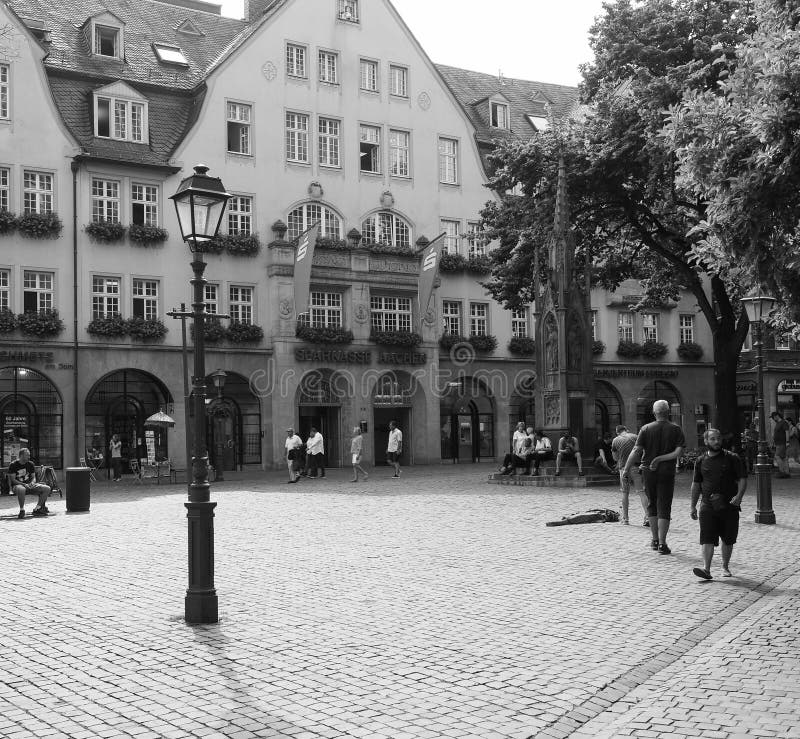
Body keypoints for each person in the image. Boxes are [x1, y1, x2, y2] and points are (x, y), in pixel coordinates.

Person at [623, 399, 685, 555]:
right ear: (668, 411)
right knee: (664, 505)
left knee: (652, 504)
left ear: (654, 412)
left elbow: (636, 451)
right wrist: (662, 459)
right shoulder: (676, 429)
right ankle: (663, 544)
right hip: (667, 472)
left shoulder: (645, 428)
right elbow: (678, 453)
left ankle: (654, 539)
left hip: (648, 471)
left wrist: (626, 468)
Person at [690, 428, 746, 579]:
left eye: (718, 438)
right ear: (706, 441)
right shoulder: (701, 460)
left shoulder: (732, 458)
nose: (716, 441)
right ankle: (706, 569)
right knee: (707, 537)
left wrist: (739, 496)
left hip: (729, 505)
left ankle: (725, 567)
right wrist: (692, 506)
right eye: (713, 439)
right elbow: (696, 484)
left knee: (728, 538)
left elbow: (742, 479)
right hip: (707, 506)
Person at [612, 424, 649, 526]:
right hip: (636, 467)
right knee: (641, 492)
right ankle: (648, 517)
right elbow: (644, 450)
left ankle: (626, 519)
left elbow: (615, 458)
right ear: (626, 430)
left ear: (617, 432)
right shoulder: (635, 436)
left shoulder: (615, 440)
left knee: (625, 493)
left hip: (623, 468)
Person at [8, 448, 51, 519]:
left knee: (47, 488)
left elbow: (33, 477)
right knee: (21, 489)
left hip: (29, 485)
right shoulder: (13, 465)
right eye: (27, 455)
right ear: (21, 455)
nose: (29, 457)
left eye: (29, 455)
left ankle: (37, 509)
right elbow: (13, 480)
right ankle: (22, 510)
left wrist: (32, 482)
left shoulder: (30, 464)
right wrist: (24, 484)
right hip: (18, 486)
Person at [770, 411, 791, 478]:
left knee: (777, 456)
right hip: (779, 443)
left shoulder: (783, 422)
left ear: (776, 416)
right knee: (784, 458)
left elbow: (787, 432)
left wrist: (787, 441)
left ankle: (782, 472)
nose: (773, 419)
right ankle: (786, 473)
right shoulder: (778, 423)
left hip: (781, 443)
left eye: (773, 417)